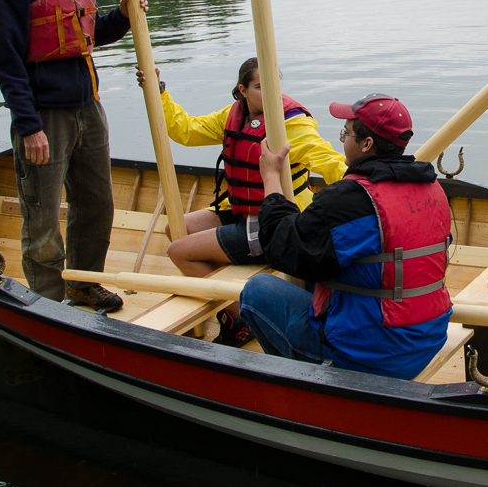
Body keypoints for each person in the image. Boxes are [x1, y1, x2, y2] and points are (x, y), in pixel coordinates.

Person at [0, 0, 147, 310]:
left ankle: (83, 282)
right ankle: (48, 304)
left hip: (87, 106)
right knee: (42, 217)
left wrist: (124, 17)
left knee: (97, 204)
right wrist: (28, 126)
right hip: (43, 117)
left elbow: (89, 37)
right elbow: (7, 65)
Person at [235, 94, 453, 379]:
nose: (342, 140)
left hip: (371, 356)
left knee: (258, 291)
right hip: (426, 340)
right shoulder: (432, 188)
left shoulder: (352, 198)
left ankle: (300, 382)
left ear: (366, 144)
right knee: (321, 276)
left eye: (345, 133)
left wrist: (271, 177)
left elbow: (281, 247)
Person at [135, 58, 347, 342]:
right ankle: (235, 308)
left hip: (274, 222)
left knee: (178, 251)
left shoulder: (293, 125)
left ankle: (240, 319)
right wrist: (158, 91)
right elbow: (184, 131)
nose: (270, 93)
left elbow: (332, 164)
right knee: (176, 230)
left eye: (274, 85)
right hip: (239, 209)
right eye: (260, 87)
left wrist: (372, 189)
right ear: (243, 90)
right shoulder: (231, 116)